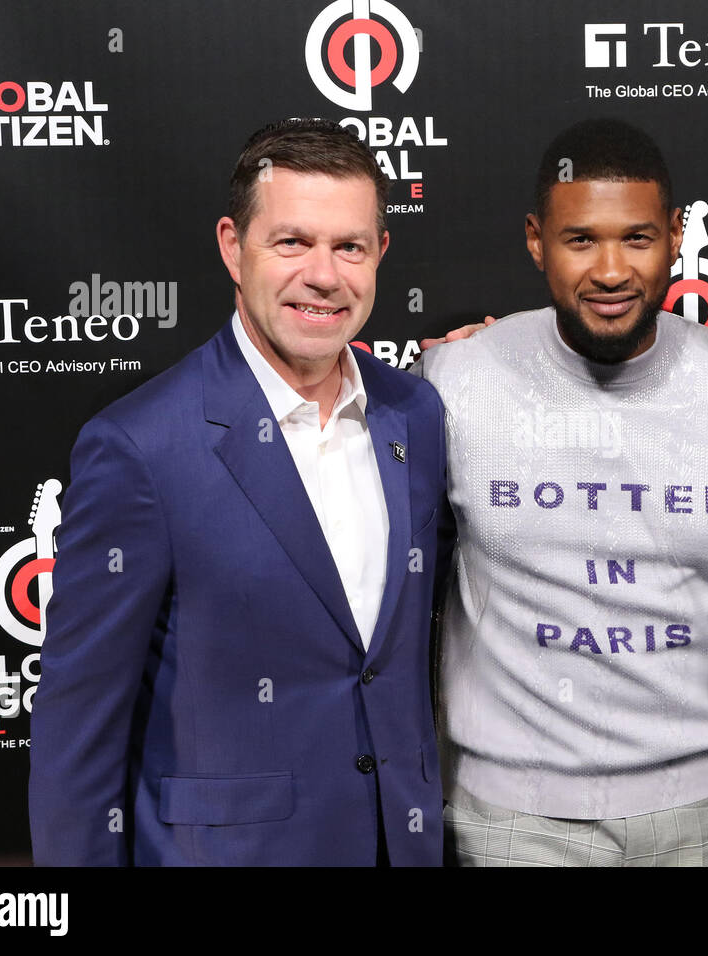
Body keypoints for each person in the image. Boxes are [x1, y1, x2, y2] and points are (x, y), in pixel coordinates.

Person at [28, 119, 449, 866]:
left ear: (381, 252)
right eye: (292, 242)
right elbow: (77, 730)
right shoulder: (140, 446)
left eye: (349, 247)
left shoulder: (415, 412)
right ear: (233, 246)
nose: (324, 275)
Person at [414, 118, 708, 866]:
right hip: (510, 820)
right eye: (580, 240)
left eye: (637, 239)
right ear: (536, 240)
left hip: (704, 815)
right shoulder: (454, 381)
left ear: (676, 237)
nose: (611, 271)